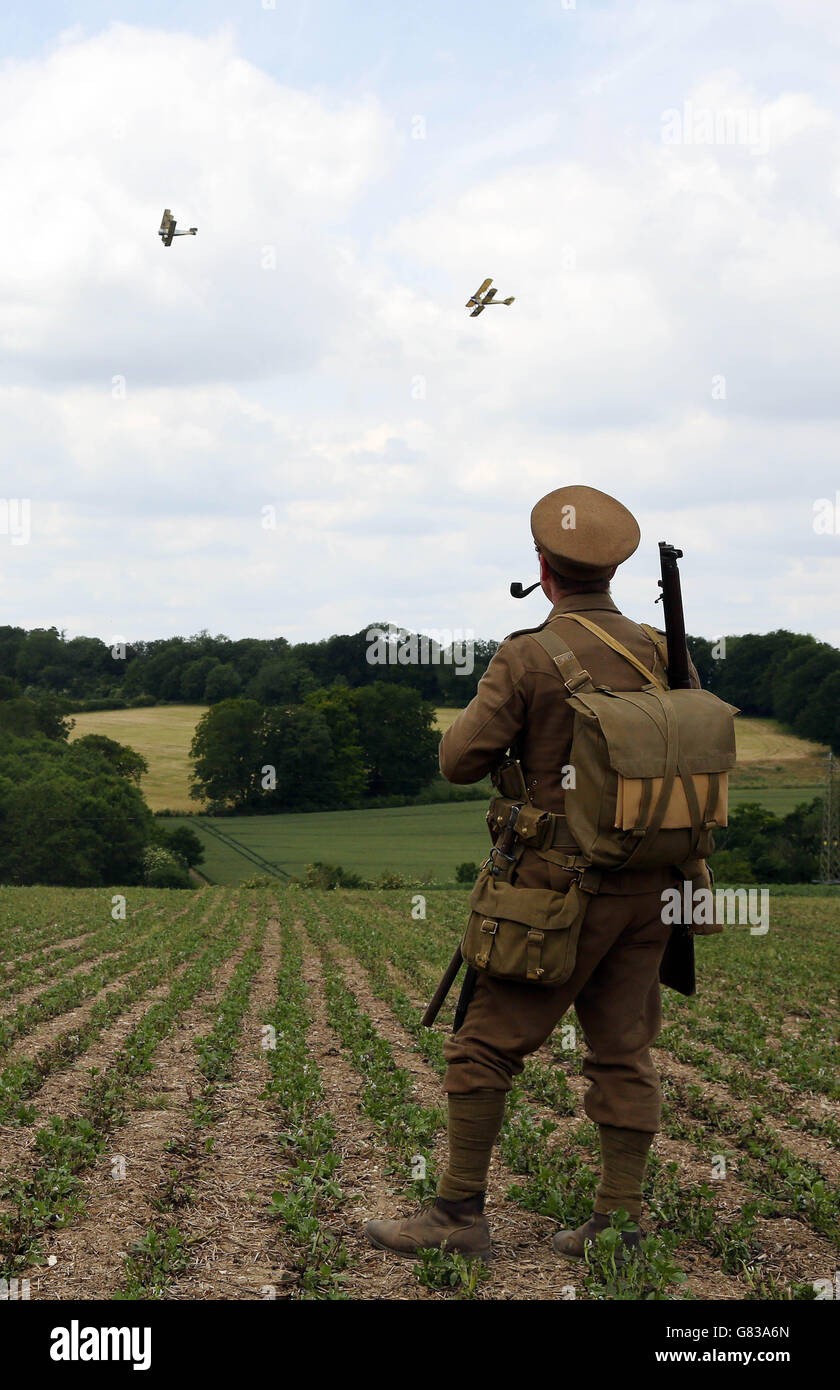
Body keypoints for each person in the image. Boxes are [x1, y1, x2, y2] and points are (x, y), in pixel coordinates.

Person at [365, 484, 696, 1264]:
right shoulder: (664, 650)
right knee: (622, 1052)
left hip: (555, 892)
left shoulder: (528, 654)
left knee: (483, 1046)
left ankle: (456, 1217)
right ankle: (619, 1227)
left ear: (542, 568)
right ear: (612, 572)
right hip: (656, 888)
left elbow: (458, 761)